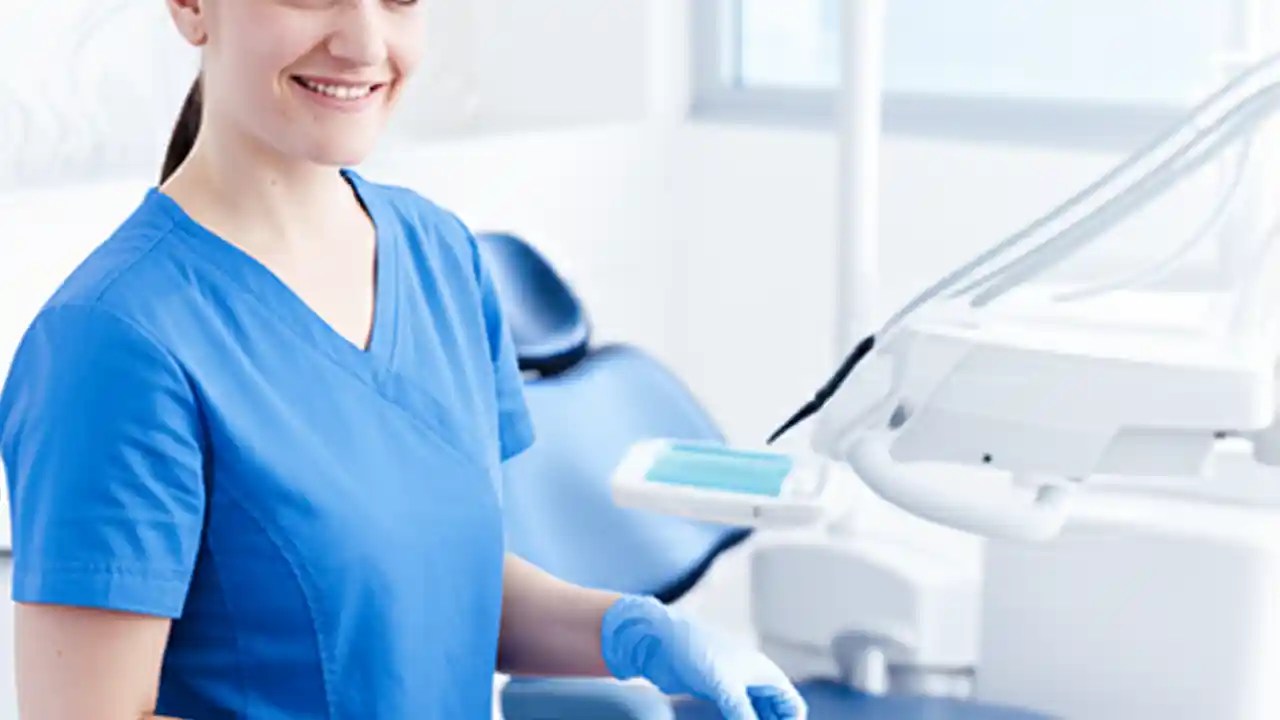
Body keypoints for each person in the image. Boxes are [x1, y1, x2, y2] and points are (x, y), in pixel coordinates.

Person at [0, 1, 806, 719]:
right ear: (190, 6)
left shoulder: (442, 257)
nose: (363, 43)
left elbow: (443, 589)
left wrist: (635, 634)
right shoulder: (113, 342)